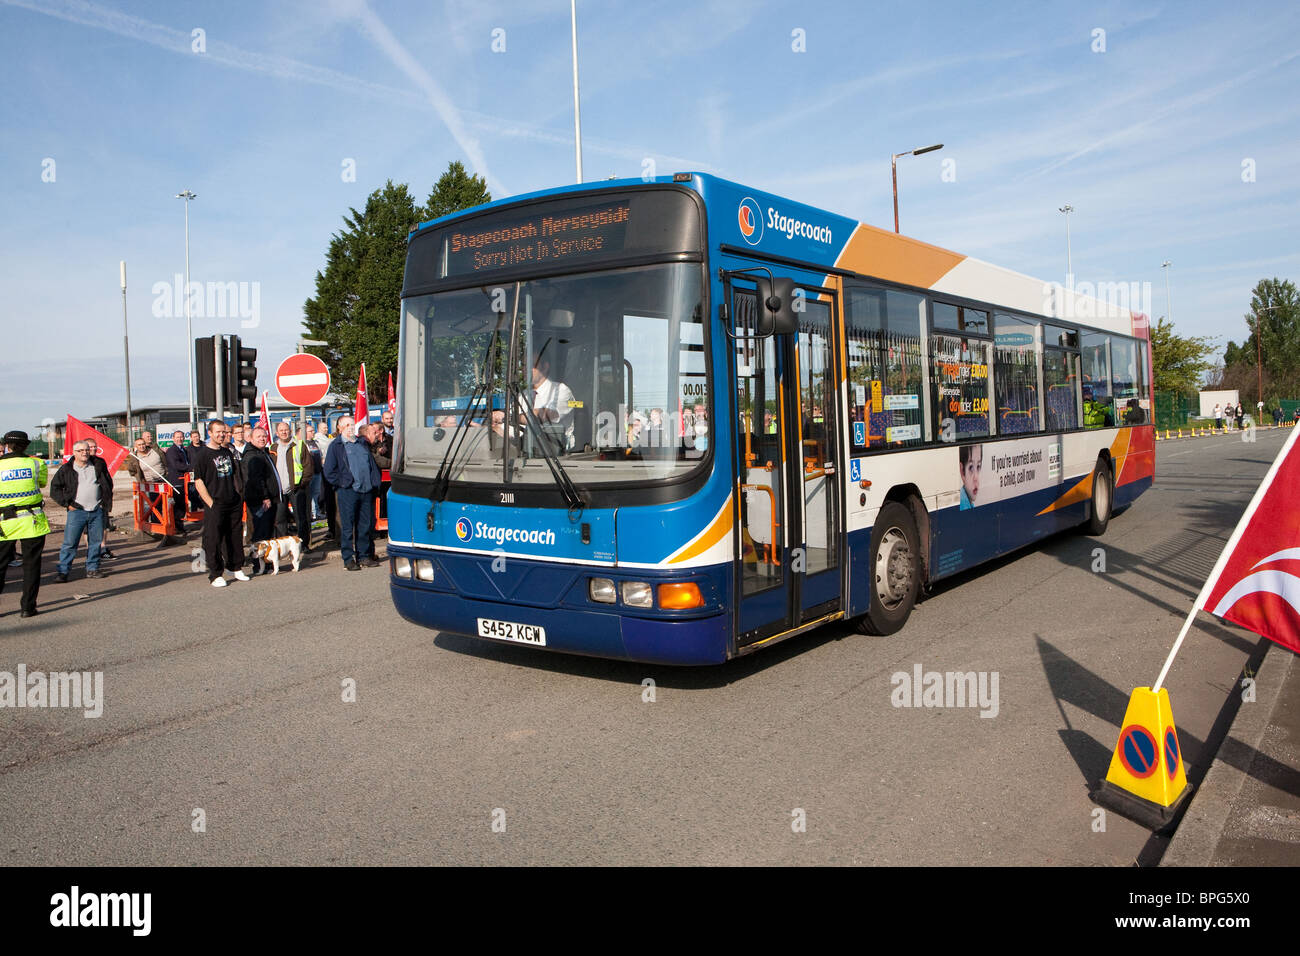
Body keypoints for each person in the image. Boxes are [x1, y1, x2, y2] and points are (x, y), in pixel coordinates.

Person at [192, 420, 249, 588]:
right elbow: (199, 481)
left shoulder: (227, 452)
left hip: (232, 501)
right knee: (214, 539)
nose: (221, 434)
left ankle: (235, 566)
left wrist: (238, 496)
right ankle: (215, 574)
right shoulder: (202, 455)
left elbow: (234, 476)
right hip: (215, 503)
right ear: (210, 433)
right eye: (218, 432)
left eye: (223, 432)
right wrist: (210, 503)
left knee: (234, 536)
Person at [0, 430, 50, 618]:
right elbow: (42, 484)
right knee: (31, 566)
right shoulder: (37, 464)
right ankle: (27, 608)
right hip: (32, 520)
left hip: (5, 522)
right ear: (26, 446)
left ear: (6, 445)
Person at [50, 439, 113, 581]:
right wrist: (68, 504)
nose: (85, 453)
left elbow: (107, 483)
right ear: (74, 453)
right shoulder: (67, 469)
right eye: (81, 451)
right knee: (70, 543)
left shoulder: (98, 464)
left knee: (96, 542)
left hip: (96, 510)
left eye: (86, 450)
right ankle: (63, 572)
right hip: (76, 511)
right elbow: (55, 489)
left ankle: (92, 569)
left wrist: (104, 503)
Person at [323, 416, 381, 571]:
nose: (350, 427)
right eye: (346, 425)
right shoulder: (336, 446)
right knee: (348, 527)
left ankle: (364, 556)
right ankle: (348, 559)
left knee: (365, 526)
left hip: (366, 490)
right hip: (348, 492)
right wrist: (343, 483)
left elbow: (371, 465)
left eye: (352, 424)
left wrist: (375, 482)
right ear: (340, 428)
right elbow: (329, 471)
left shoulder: (362, 443)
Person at [269, 420, 314, 553]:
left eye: (286, 430)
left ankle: (303, 545)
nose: (284, 432)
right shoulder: (272, 448)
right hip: (279, 490)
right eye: (281, 430)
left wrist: (301, 484)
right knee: (280, 519)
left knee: (301, 518)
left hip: (296, 489)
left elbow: (308, 467)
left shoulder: (299, 445)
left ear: (290, 431)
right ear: (277, 433)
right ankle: (283, 547)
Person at [241, 426, 280, 573]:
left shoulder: (262, 452)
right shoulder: (253, 456)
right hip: (260, 501)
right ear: (251, 438)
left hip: (268, 499)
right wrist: (265, 497)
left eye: (264, 436)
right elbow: (256, 480)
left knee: (267, 533)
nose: (262, 439)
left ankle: (266, 563)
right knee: (261, 534)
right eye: (259, 437)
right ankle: (259, 564)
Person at [528, 357, 575, 450]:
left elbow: (546, 415)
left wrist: (514, 418)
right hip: (526, 453)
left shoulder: (561, 390)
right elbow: (514, 431)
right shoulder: (522, 396)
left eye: (531, 365)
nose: (525, 369)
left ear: (545, 367)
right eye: (524, 365)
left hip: (560, 455)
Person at [959, 443, 982, 510]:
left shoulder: (968, 502)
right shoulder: (963, 504)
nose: (976, 478)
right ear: (962, 471)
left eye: (978, 467)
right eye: (971, 468)